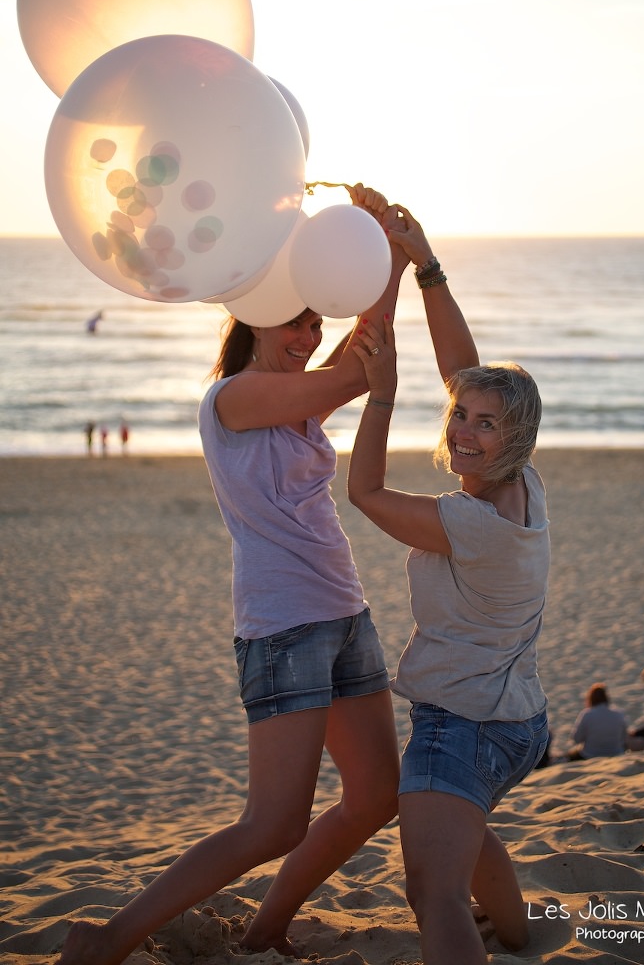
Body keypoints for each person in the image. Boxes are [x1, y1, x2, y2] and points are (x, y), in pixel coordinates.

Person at [55, 186, 407, 965]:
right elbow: (356, 374)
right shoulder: (237, 399)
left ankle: (267, 927)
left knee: (378, 797)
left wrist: (384, 249)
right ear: (253, 315)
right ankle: (105, 937)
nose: (312, 333)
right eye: (299, 318)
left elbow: (361, 355)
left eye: (318, 319)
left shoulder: (294, 403)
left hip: (345, 612)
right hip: (284, 627)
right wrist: (385, 271)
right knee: (273, 823)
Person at [347, 208, 550, 965]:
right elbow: (465, 371)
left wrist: (380, 394)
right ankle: (522, 937)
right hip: (518, 718)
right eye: (460, 416)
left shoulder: (471, 525)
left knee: (433, 892)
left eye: (483, 424)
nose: (463, 427)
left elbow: (363, 492)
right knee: (463, 828)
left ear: (515, 440)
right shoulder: (522, 486)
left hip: (461, 720)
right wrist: (424, 264)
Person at [567, 683, 627, 760]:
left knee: (571, 755)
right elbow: (624, 737)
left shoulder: (587, 714)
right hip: (616, 753)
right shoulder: (619, 713)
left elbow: (576, 739)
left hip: (591, 755)